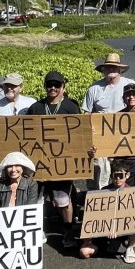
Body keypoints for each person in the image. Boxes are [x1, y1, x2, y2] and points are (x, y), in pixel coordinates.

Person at [24, 71, 82, 240]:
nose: (53, 88)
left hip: (61, 164)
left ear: (63, 87)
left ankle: (68, 231)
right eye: (50, 84)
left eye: (57, 85)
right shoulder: (36, 107)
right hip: (39, 163)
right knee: (37, 201)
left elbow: (79, 134)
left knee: (63, 200)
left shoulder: (71, 107)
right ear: (45, 86)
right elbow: (25, 134)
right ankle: (38, 230)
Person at [84, 51, 133, 189]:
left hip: (123, 138)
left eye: (114, 67)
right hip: (100, 139)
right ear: (103, 69)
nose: (111, 69)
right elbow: (86, 113)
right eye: (108, 67)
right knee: (100, 176)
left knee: (121, 174)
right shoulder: (94, 89)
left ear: (120, 69)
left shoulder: (130, 84)